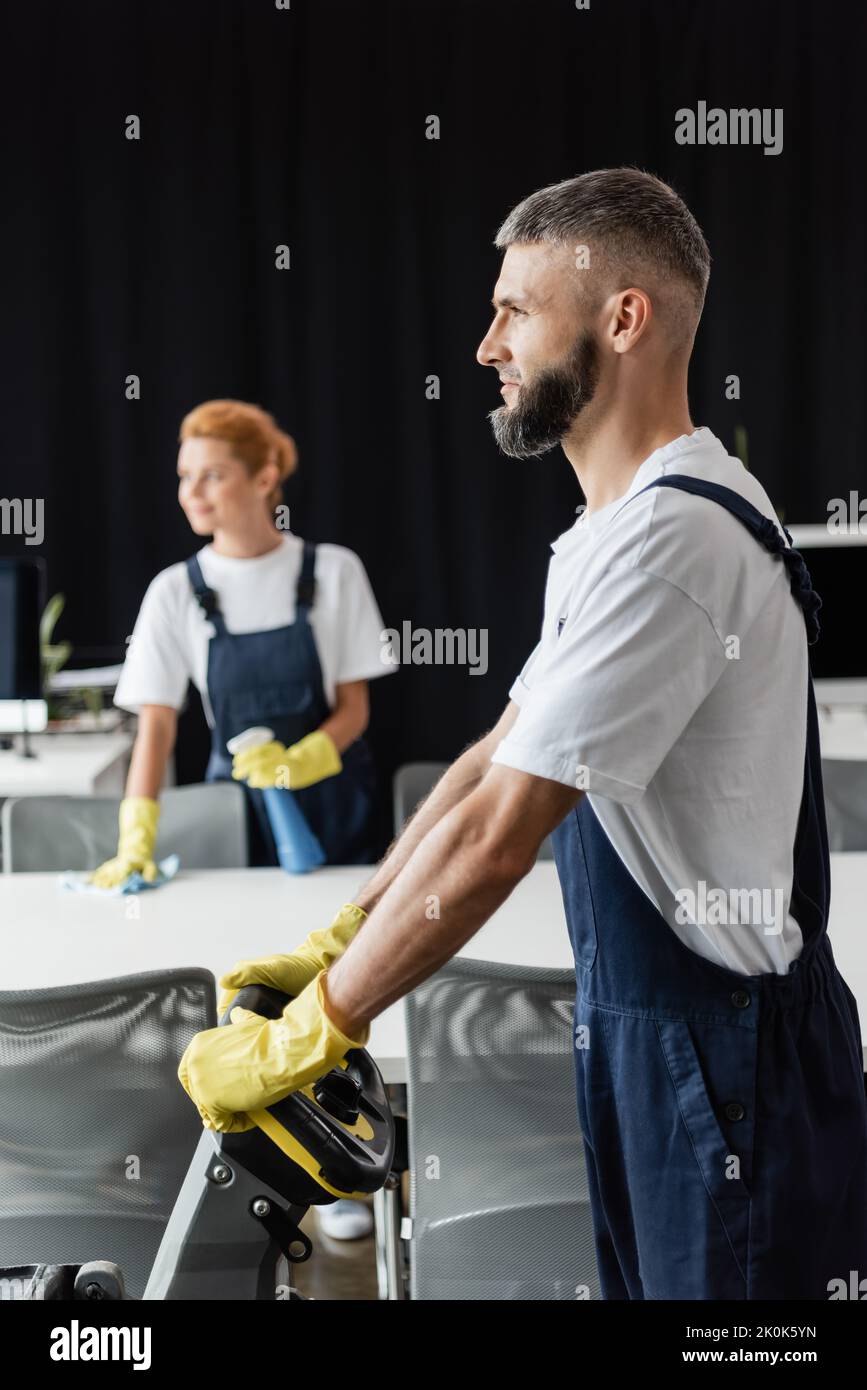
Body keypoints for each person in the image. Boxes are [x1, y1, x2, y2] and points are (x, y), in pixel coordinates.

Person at [178, 170, 867, 1299]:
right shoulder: (611, 529)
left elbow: (503, 836)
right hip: (664, 1051)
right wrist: (341, 936)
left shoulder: (673, 542)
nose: (488, 342)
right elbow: (494, 756)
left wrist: (317, 1027)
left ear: (624, 318)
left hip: (729, 1068)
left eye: (517, 309)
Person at [92, 398, 394, 882]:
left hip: (335, 804)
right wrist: (134, 839)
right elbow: (156, 729)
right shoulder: (174, 591)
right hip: (230, 813)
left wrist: (302, 761)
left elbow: (354, 708)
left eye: (212, 475)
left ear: (264, 477)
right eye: (184, 475)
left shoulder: (335, 571)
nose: (192, 491)